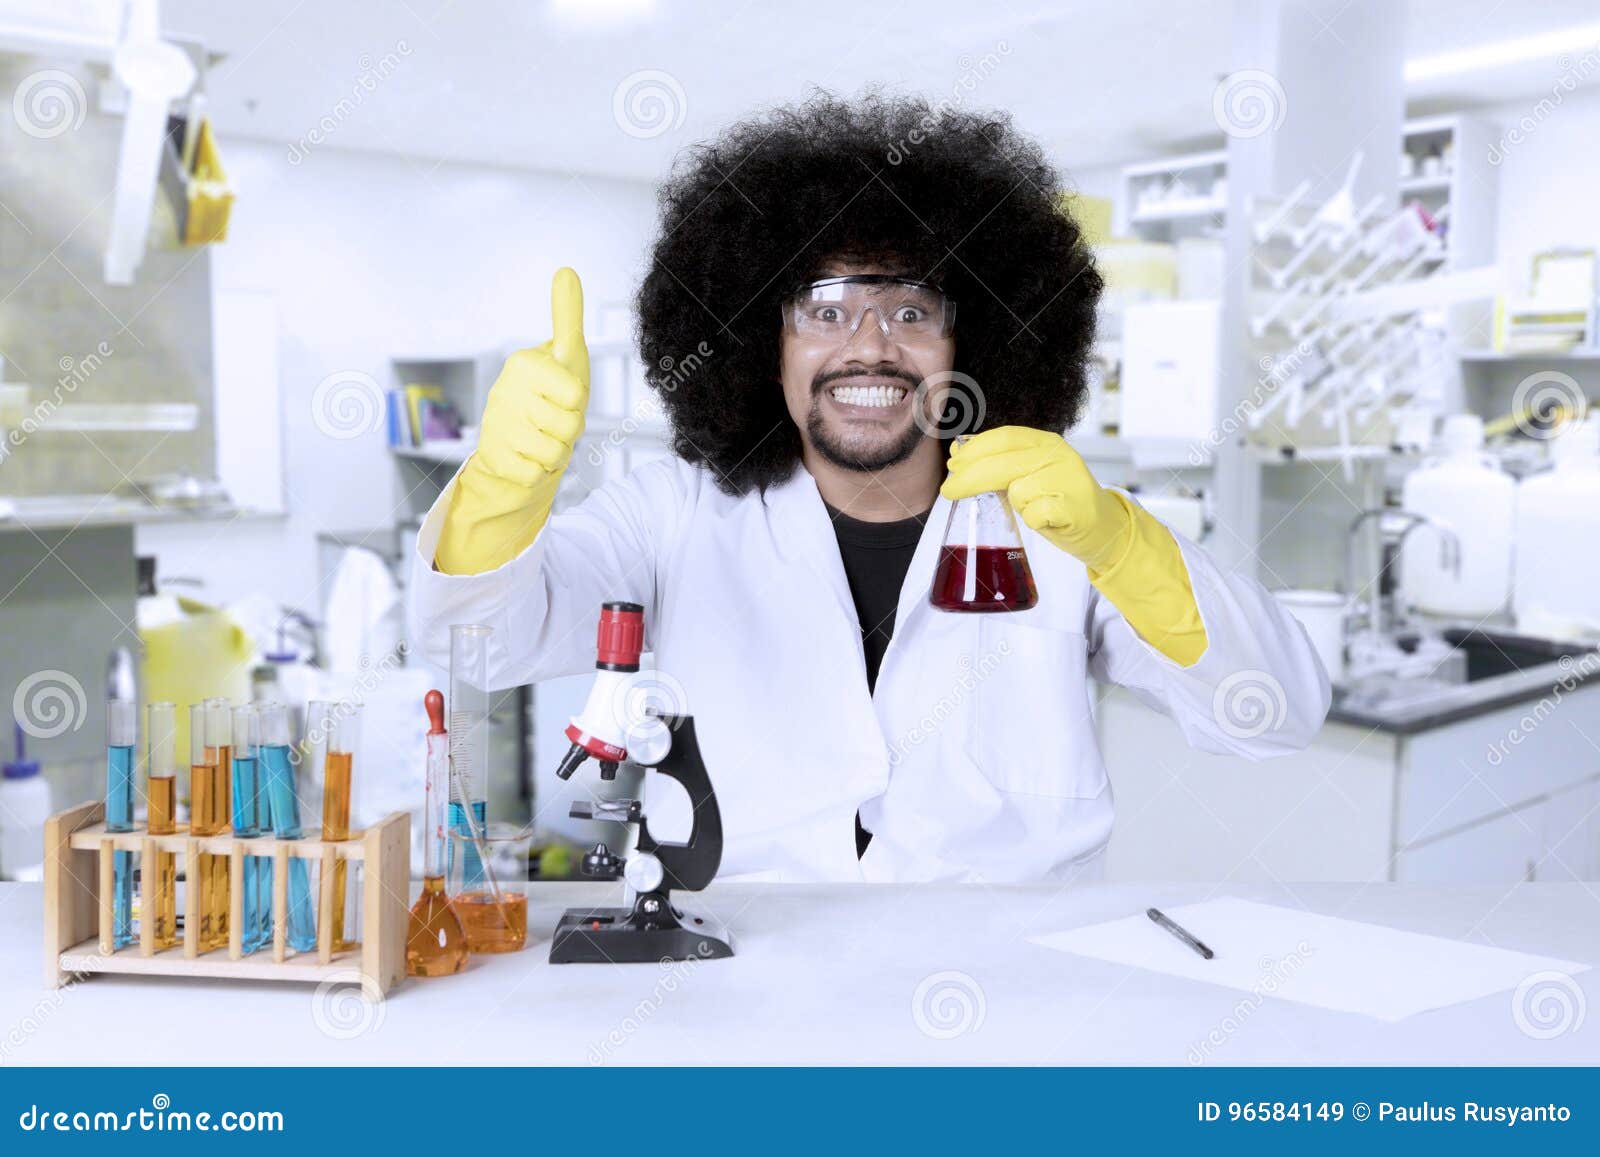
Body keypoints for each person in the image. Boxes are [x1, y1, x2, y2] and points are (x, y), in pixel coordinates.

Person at [407, 94, 1329, 883]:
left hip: (1013, 994)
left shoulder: (1057, 524)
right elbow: (476, 645)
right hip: (737, 983)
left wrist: (1124, 545)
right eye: (823, 308)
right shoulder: (670, 513)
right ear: (761, 345)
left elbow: (1277, 711)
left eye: (912, 308)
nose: (870, 344)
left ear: (974, 341)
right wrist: (503, 488)